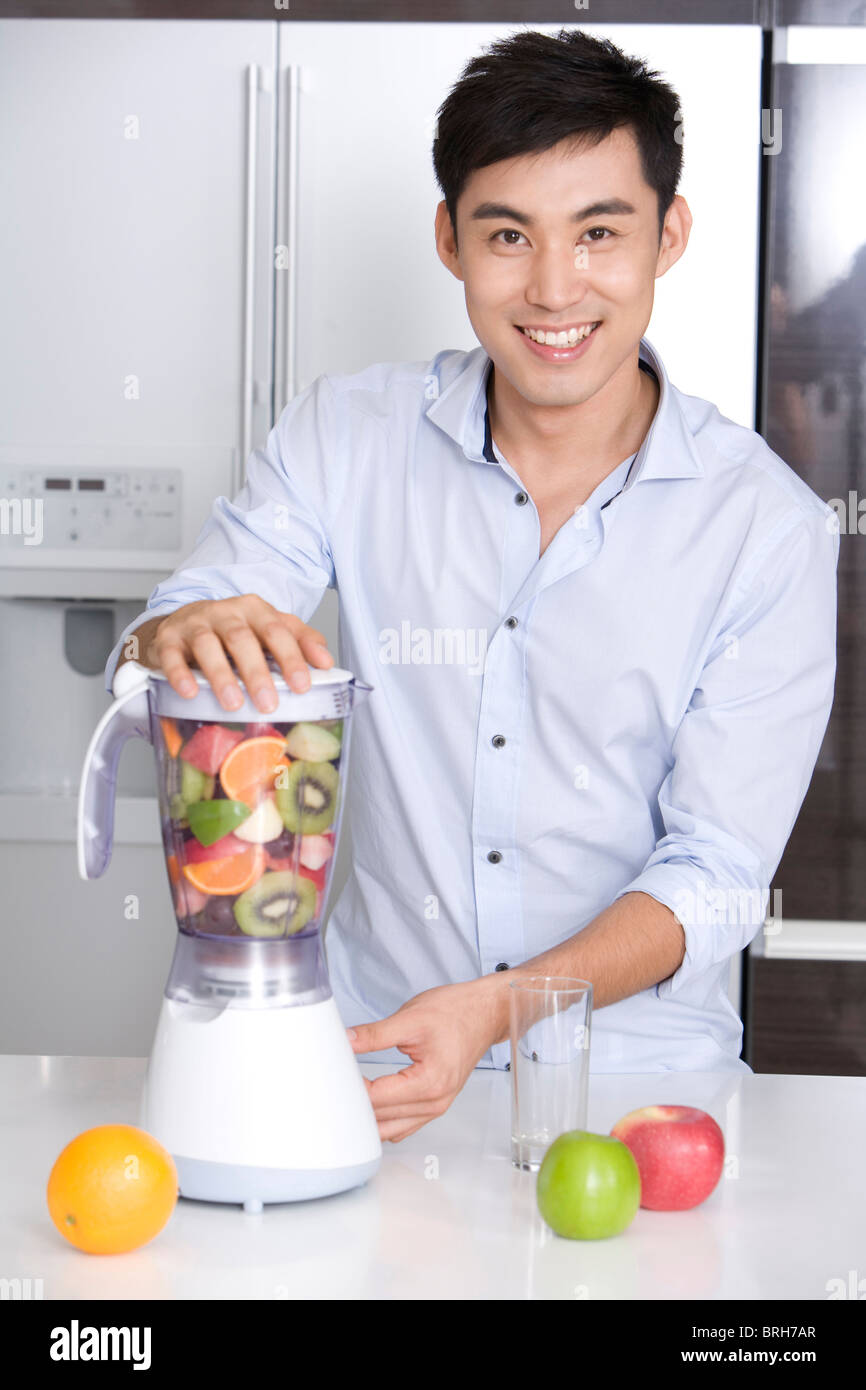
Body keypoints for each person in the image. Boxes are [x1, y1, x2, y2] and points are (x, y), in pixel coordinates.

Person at [106, 29, 838, 1142]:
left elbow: (718, 871)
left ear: (667, 235)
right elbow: (184, 622)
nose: (552, 288)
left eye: (598, 232)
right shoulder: (343, 436)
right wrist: (178, 635)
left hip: (635, 1091)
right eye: (508, 234)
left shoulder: (765, 528)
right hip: (366, 1063)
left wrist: (499, 1012)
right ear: (448, 240)